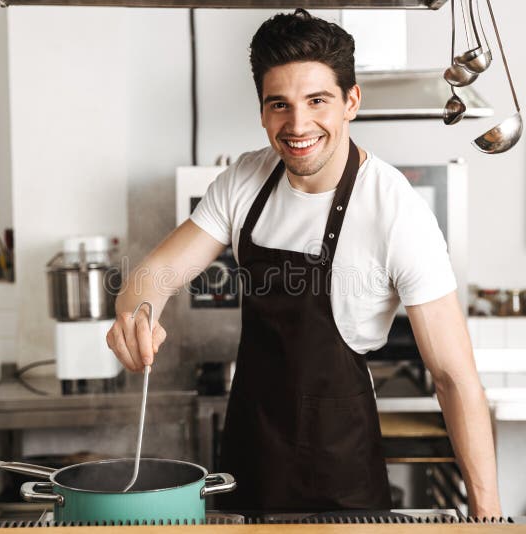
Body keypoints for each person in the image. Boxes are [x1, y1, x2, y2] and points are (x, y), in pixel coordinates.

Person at [106, 8, 500, 516]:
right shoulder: (245, 180)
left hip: (343, 482)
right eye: (280, 105)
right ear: (262, 110)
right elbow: (151, 278)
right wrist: (135, 314)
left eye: (317, 101)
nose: (297, 125)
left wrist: (488, 515)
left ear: (351, 102)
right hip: (247, 466)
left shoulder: (395, 209)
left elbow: (453, 377)